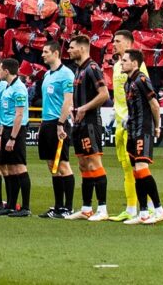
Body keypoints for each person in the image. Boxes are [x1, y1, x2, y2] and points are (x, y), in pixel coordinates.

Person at [119, 49, 163, 224]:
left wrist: (157, 126)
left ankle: (159, 209)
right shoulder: (128, 83)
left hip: (143, 129)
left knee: (141, 168)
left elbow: (154, 104)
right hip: (132, 130)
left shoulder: (142, 79)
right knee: (136, 172)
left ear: (134, 63)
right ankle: (144, 212)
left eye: (125, 60)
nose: (121, 63)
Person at [0, 54, 30, 216]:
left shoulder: (17, 88)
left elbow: (19, 114)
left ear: (4, 70)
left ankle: (24, 207)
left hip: (15, 131)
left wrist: (12, 137)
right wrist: (0, 134)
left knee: (17, 167)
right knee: (11, 167)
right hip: (3, 129)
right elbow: (5, 113)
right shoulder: (7, 87)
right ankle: (9, 205)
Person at [67, 34, 109, 220]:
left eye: (72, 47)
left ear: (82, 48)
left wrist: (84, 108)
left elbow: (104, 94)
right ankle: (86, 208)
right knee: (83, 165)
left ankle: (102, 208)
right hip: (79, 124)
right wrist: (73, 108)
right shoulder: (79, 69)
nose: (69, 50)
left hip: (91, 123)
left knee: (94, 162)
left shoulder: (92, 68)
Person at [37, 40, 75, 217]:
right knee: (52, 165)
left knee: (63, 164)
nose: (43, 54)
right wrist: (42, 124)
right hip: (47, 122)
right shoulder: (47, 74)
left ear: (56, 53)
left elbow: (68, 101)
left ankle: (68, 207)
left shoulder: (66, 74)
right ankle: (58, 206)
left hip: (59, 123)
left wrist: (61, 123)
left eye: (46, 52)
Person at [106, 31, 136, 222]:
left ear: (129, 43)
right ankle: (131, 208)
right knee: (126, 166)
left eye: (118, 41)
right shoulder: (117, 66)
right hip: (119, 122)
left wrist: (132, 117)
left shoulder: (136, 64)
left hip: (131, 123)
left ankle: (151, 208)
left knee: (137, 166)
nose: (114, 44)